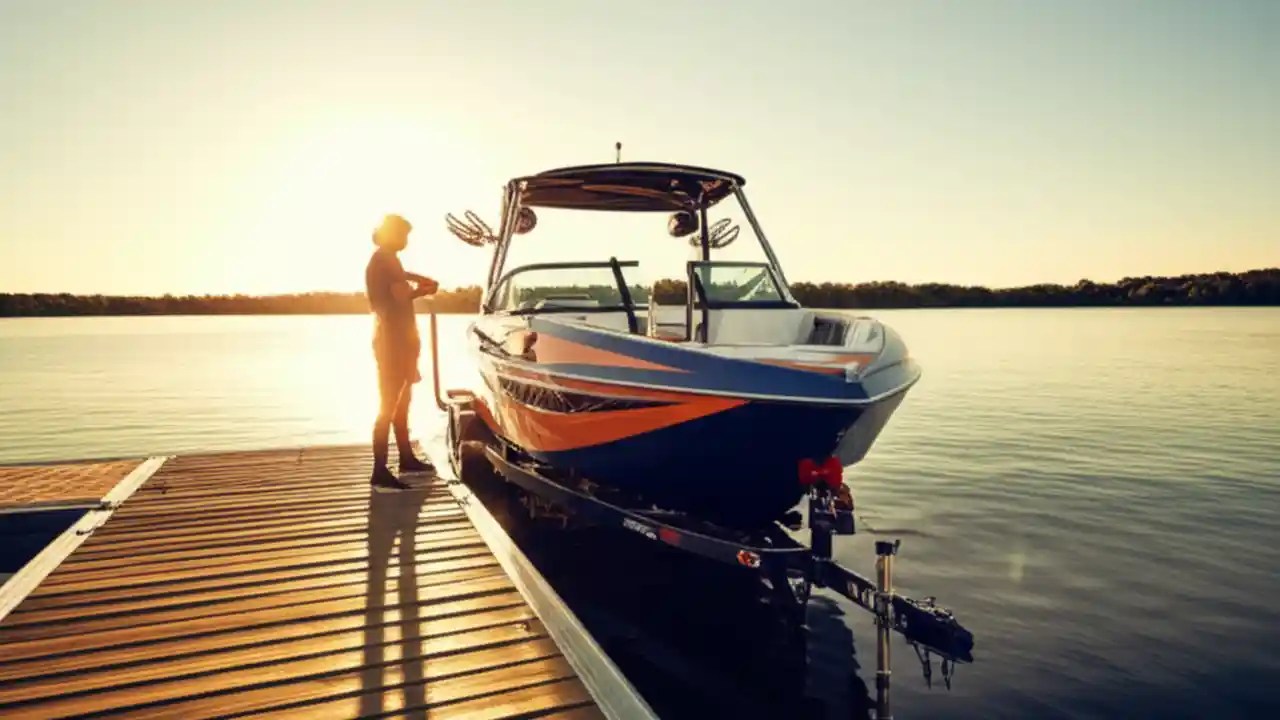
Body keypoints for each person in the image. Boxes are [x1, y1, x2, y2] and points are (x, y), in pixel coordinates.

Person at [365, 213, 439, 491]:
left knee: (402, 401)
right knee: (388, 405)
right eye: (403, 235)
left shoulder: (389, 260)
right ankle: (379, 470)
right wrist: (423, 290)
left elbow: (401, 280)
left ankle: (406, 457)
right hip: (391, 343)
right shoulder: (383, 260)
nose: (406, 240)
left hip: (401, 342)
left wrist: (422, 281)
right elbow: (399, 296)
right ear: (390, 234)